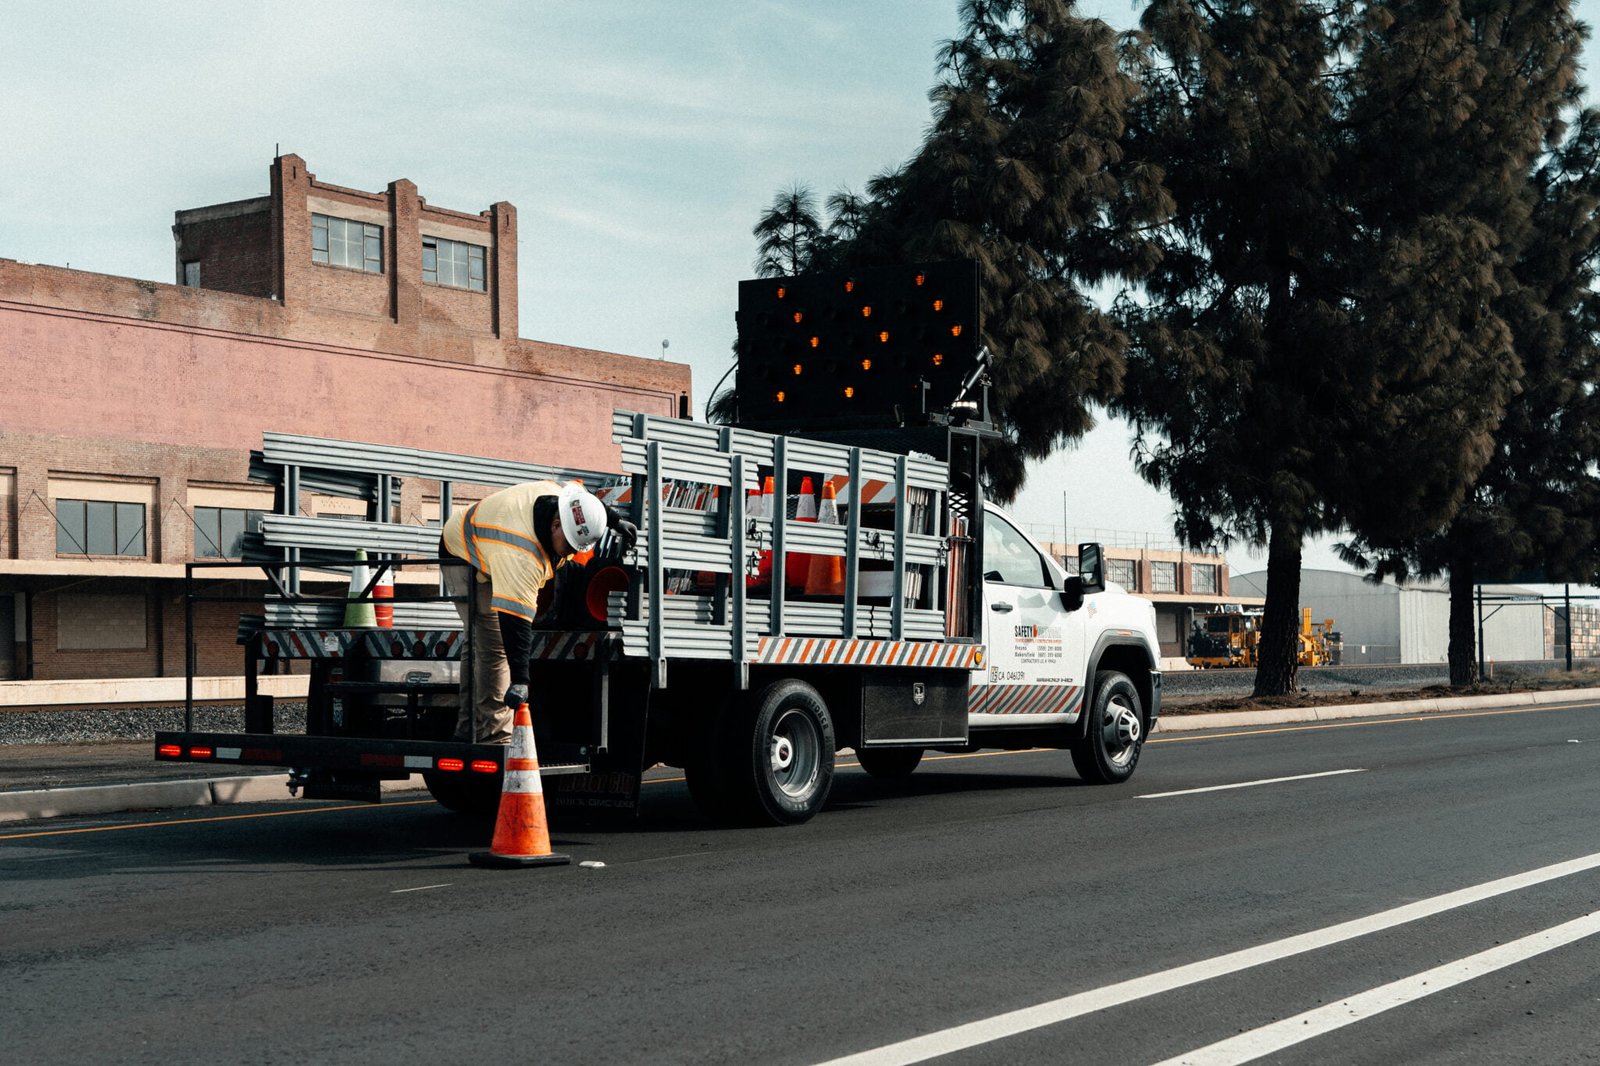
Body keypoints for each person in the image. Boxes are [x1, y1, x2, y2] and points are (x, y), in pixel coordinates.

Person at [440, 480, 636, 743]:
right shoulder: (521, 553)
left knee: (477, 644)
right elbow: (515, 621)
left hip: (486, 538)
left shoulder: (566, 499)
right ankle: (494, 737)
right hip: (463, 554)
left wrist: (614, 521)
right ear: (555, 525)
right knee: (493, 643)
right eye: (570, 546)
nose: (571, 553)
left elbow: (585, 502)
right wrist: (521, 679)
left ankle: (467, 729)